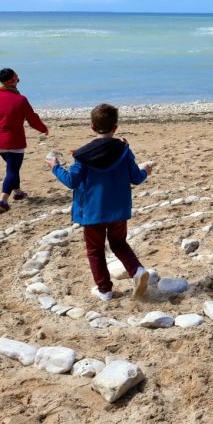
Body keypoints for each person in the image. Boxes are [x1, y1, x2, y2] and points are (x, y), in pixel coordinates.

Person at [45, 103, 154, 302]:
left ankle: (105, 289)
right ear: (115, 127)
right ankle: (137, 270)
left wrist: (55, 167)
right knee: (119, 243)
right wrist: (145, 170)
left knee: (95, 250)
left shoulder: (83, 156)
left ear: (92, 127)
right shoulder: (124, 150)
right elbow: (136, 178)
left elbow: (71, 181)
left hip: (92, 212)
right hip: (118, 210)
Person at [0, 68, 48, 213]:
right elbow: (32, 118)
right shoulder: (20, 99)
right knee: (12, 170)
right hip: (15, 140)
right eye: (17, 78)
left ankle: (18, 192)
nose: (18, 81)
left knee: (12, 167)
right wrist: (43, 128)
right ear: (12, 81)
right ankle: (3, 200)